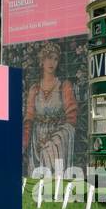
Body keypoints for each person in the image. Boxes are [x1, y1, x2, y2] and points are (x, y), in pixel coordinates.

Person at [22, 41, 78, 177]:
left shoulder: (64, 86)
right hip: (37, 141)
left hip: (57, 139)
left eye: (55, 58)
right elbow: (29, 118)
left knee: (53, 176)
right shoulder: (34, 89)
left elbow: (72, 118)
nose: (51, 62)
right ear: (42, 60)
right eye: (48, 58)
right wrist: (24, 143)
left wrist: (55, 139)